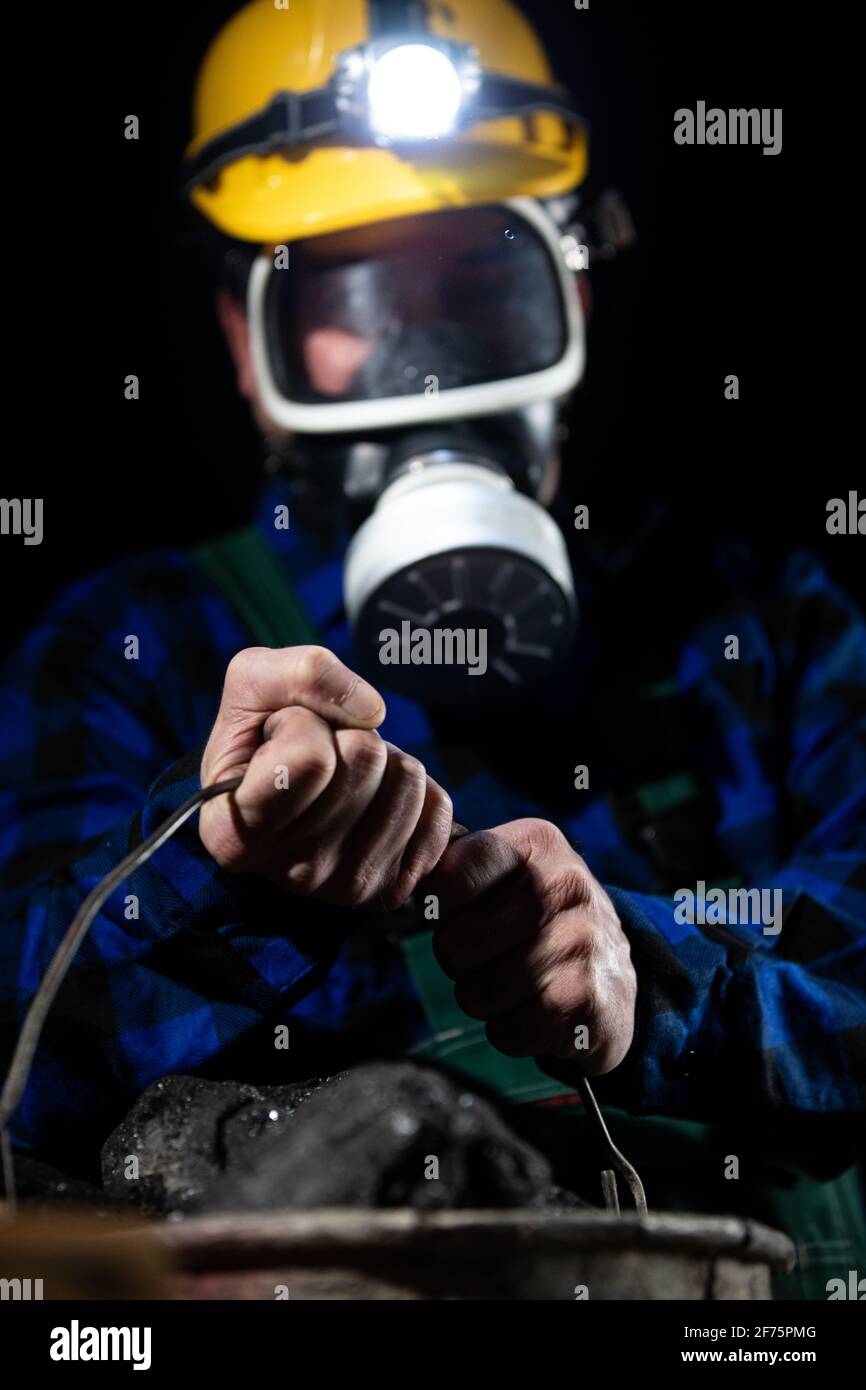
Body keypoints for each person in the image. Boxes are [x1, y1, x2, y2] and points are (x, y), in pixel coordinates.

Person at [1, 0, 863, 1299]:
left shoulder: (769, 627)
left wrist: (664, 983)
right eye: (351, 288)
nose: (425, 354)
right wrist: (212, 869)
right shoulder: (127, 651)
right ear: (251, 343)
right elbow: (18, 1068)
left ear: (567, 291)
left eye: (475, 277)